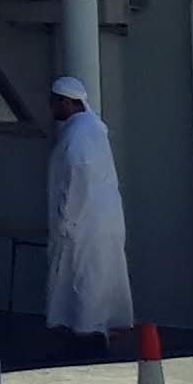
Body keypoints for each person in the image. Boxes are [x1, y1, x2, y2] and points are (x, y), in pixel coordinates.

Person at [43, 74, 134, 350]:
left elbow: (77, 179)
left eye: (54, 102)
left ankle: (88, 334)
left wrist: (67, 219)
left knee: (84, 278)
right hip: (100, 219)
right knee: (99, 275)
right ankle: (98, 328)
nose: (50, 108)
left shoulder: (79, 134)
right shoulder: (91, 129)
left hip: (83, 222)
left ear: (67, 102)